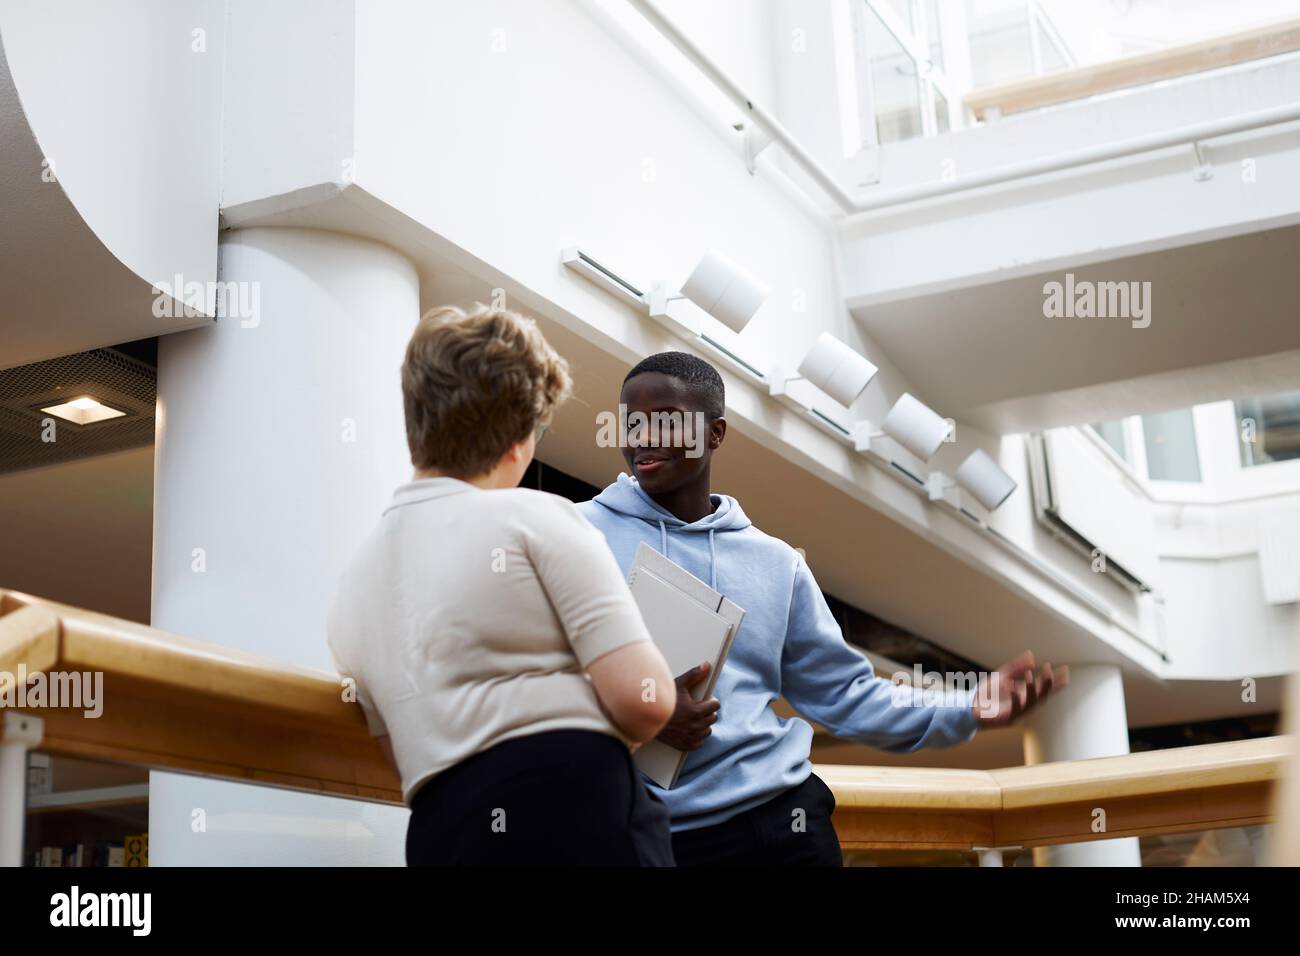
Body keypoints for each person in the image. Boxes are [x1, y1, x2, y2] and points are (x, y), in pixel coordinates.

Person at [578, 351, 1069, 866]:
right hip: (647, 838)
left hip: (781, 827)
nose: (643, 439)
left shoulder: (776, 564)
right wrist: (641, 711)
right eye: (632, 422)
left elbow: (847, 694)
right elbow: (520, 678)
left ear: (715, 433)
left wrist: (967, 708)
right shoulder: (577, 534)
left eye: (666, 422)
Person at [327, 305, 677, 866]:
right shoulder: (535, 519)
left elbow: (404, 757)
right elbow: (645, 700)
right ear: (518, 441)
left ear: (417, 421)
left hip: (444, 832)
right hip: (577, 805)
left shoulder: (348, 591)